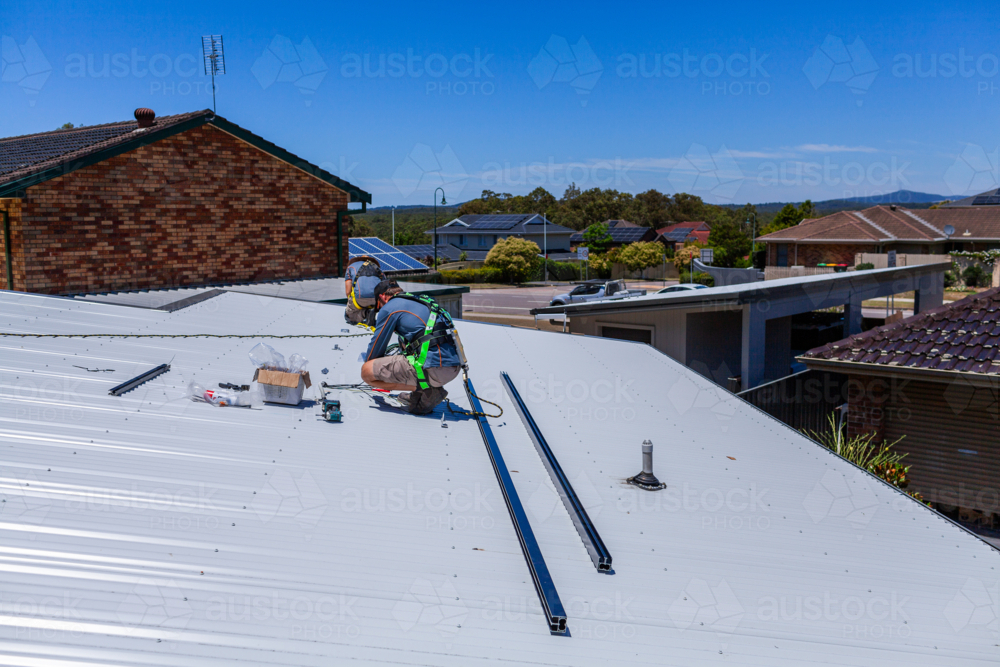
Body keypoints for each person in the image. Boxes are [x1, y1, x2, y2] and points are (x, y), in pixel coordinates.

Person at [360, 280, 462, 414]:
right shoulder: (420, 301)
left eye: (379, 306)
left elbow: (374, 351)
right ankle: (422, 393)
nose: (380, 309)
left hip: (434, 369)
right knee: (416, 408)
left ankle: (428, 389)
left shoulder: (390, 307)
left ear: (382, 297)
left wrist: (377, 367)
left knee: (367, 371)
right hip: (454, 367)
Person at [344, 257, 385, 326]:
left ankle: (366, 313)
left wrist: (351, 303)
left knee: (350, 317)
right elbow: (385, 286)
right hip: (378, 301)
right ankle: (371, 311)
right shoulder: (378, 269)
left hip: (360, 298)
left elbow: (348, 291)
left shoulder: (351, 267)